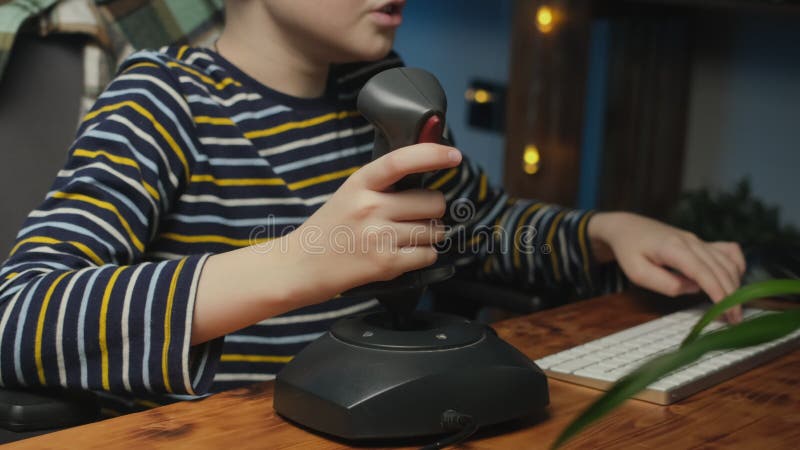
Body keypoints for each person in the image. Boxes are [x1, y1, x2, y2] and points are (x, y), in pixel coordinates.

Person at [0, 0, 745, 410]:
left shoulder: (384, 90)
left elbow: (475, 231)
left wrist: (608, 231)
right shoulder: (162, 102)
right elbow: (21, 312)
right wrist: (300, 261)